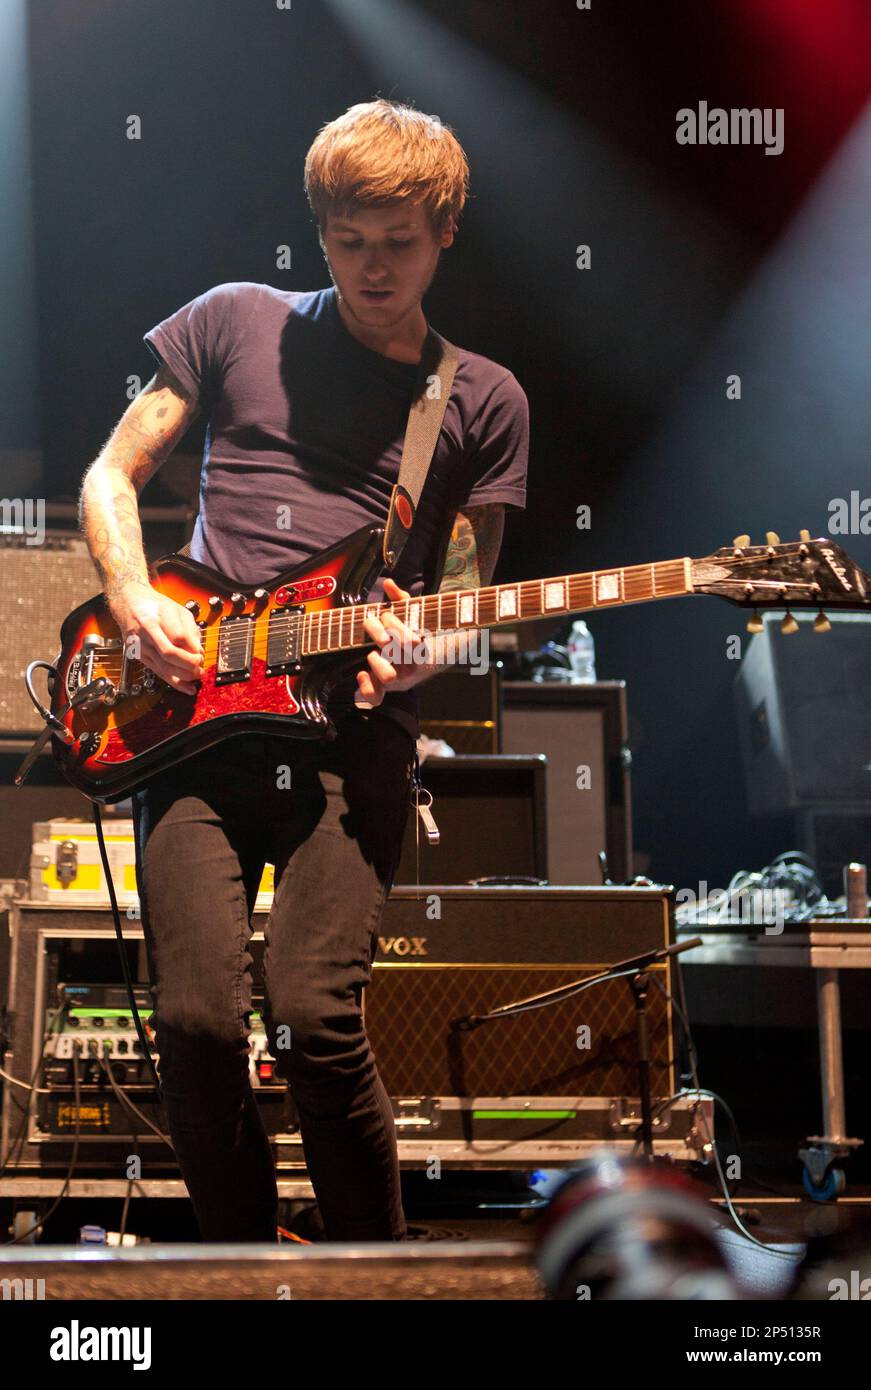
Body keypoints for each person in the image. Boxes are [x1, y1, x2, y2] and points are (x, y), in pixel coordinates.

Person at [78, 98, 529, 1243]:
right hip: (195, 723)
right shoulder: (235, 322)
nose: (374, 267)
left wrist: (426, 641)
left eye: (400, 242)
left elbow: (465, 600)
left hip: (348, 742)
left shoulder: (477, 401)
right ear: (318, 230)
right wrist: (133, 601)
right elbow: (110, 476)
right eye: (348, 239)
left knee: (314, 1015)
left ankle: (372, 1271)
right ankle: (240, 1262)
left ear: (446, 233)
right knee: (188, 1019)